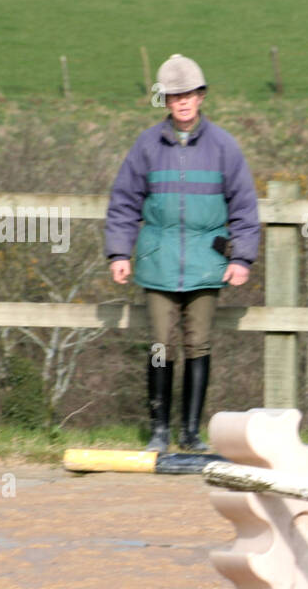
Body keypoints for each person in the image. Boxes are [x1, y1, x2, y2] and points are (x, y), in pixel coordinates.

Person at [105, 54, 261, 451]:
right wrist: (119, 252)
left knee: (200, 344)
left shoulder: (225, 146)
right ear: (166, 101)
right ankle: (159, 431)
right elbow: (124, 201)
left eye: (189, 94)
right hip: (158, 261)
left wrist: (241, 258)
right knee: (160, 345)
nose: (183, 102)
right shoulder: (146, 146)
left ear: (201, 96)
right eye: (175, 96)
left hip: (207, 262)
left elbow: (244, 206)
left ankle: (190, 433)